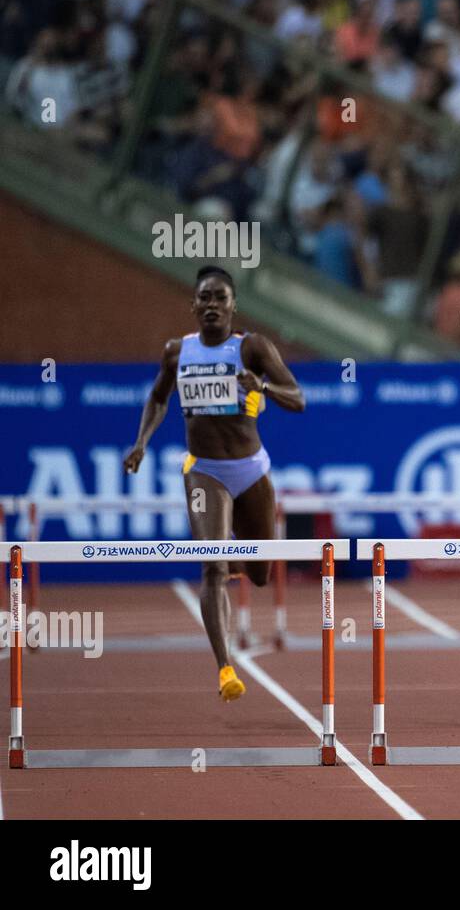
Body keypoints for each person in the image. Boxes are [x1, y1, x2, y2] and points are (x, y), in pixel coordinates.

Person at [124, 265, 305, 702]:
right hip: (204, 470)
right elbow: (157, 397)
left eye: (219, 298)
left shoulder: (252, 348)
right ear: (193, 305)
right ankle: (226, 667)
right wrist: (141, 442)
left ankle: (236, 560)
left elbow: (297, 399)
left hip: (251, 470)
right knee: (212, 565)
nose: (211, 305)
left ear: (232, 305)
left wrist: (260, 384)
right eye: (204, 297)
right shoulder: (176, 352)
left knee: (260, 575)